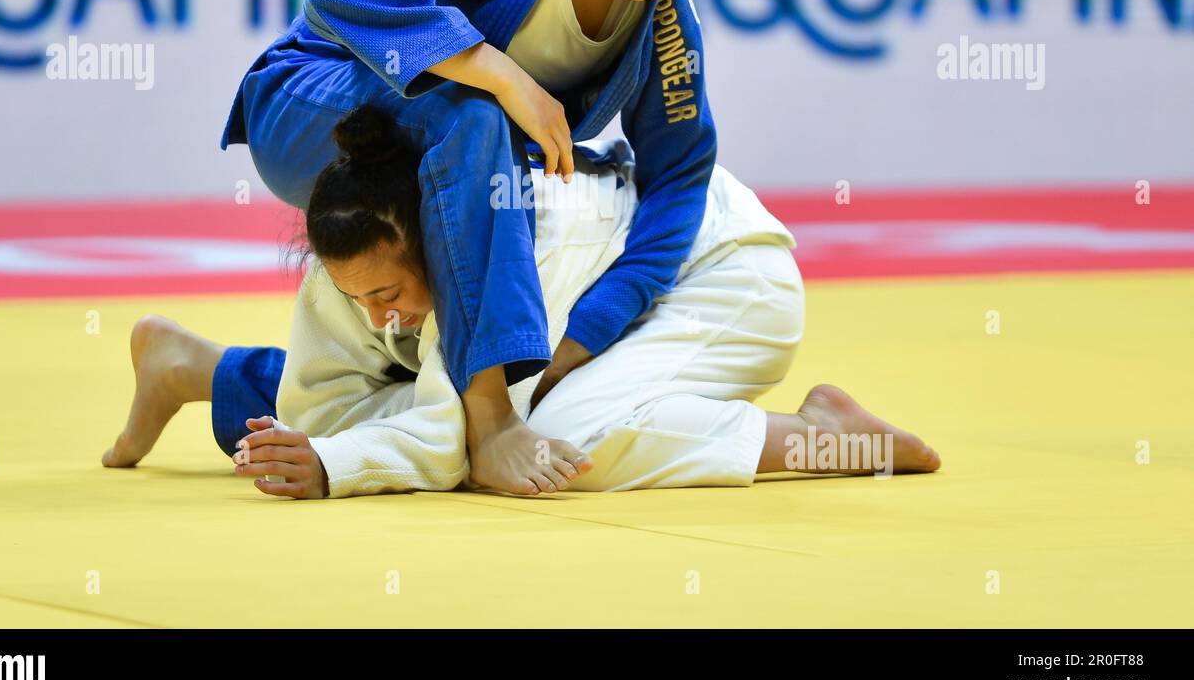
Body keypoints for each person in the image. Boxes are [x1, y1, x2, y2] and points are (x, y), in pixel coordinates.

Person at [214, 0, 750, 490]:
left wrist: (593, 326)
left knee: (430, 323)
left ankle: (205, 373)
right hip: (308, 107)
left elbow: (680, 179)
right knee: (475, 114)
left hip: (433, 152)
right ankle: (492, 418)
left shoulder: (663, 18)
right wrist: (502, 76)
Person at [103, 107, 942, 497]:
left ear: (433, 240)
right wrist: (314, 438)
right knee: (437, 402)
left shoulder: (504, 244)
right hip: (606, 297)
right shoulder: (364, 237)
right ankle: (200, 367)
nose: (376, 319)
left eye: (390, 293)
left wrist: (331, 468)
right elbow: (325, 402)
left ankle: (824, 440)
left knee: (551, 443)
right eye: (355, 299)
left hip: (724, 276)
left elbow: (447, 439)